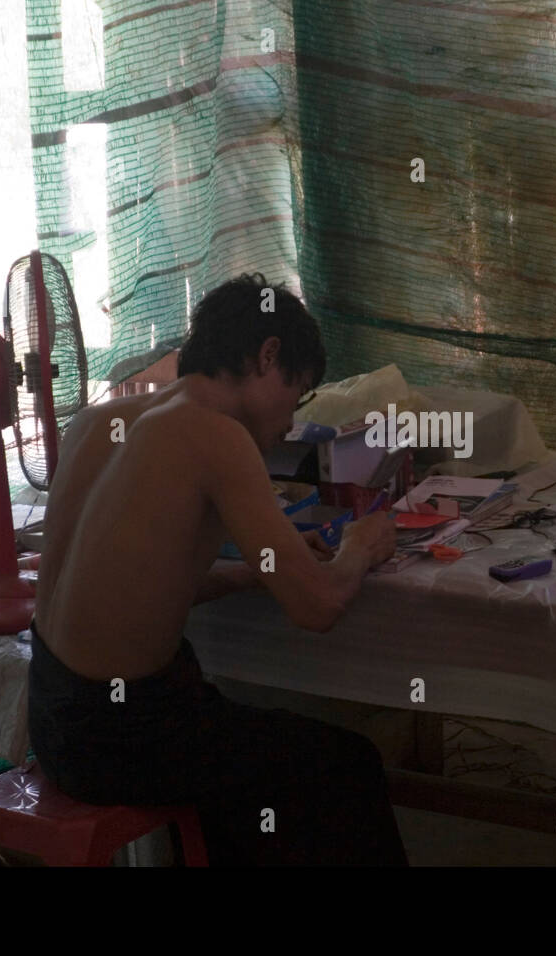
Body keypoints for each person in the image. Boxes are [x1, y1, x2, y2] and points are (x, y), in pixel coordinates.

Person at [31, 273, 407, 865]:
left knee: (241, 757)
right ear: (268, 355)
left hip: (53, 716)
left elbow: (136, 588)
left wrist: (256, 572)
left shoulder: (101, 422)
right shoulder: (217, 436)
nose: (290, 420)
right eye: (299, 392)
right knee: (345, 762)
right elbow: (318, 609)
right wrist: (361, 544)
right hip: (121, 737)